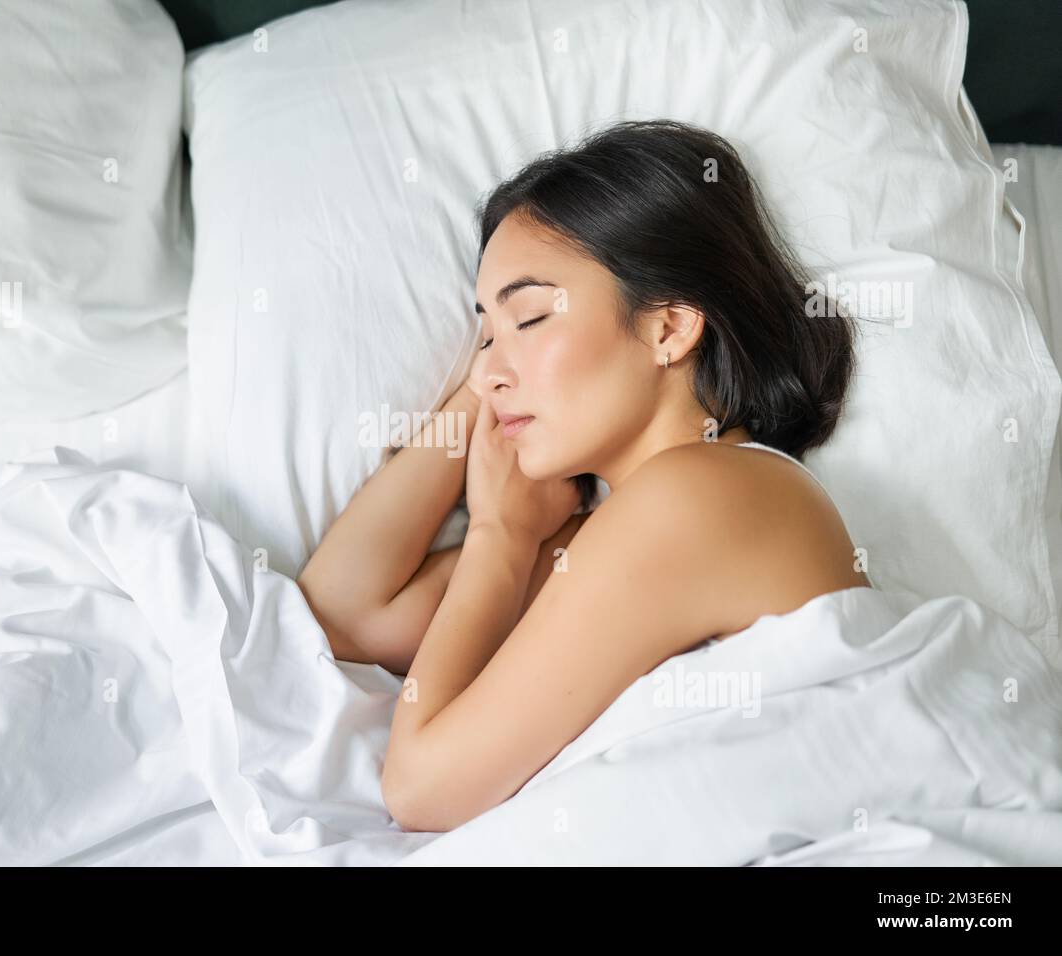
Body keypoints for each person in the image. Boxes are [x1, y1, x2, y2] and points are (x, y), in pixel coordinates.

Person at [297, 119, 873, 832]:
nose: (483, 369)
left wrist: (500, 535)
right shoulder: (605, 535)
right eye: (482, 333)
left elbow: (420, 790)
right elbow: (340, 612)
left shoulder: (709, 495)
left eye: (533, 316)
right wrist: (498, 392)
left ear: (668, 328)